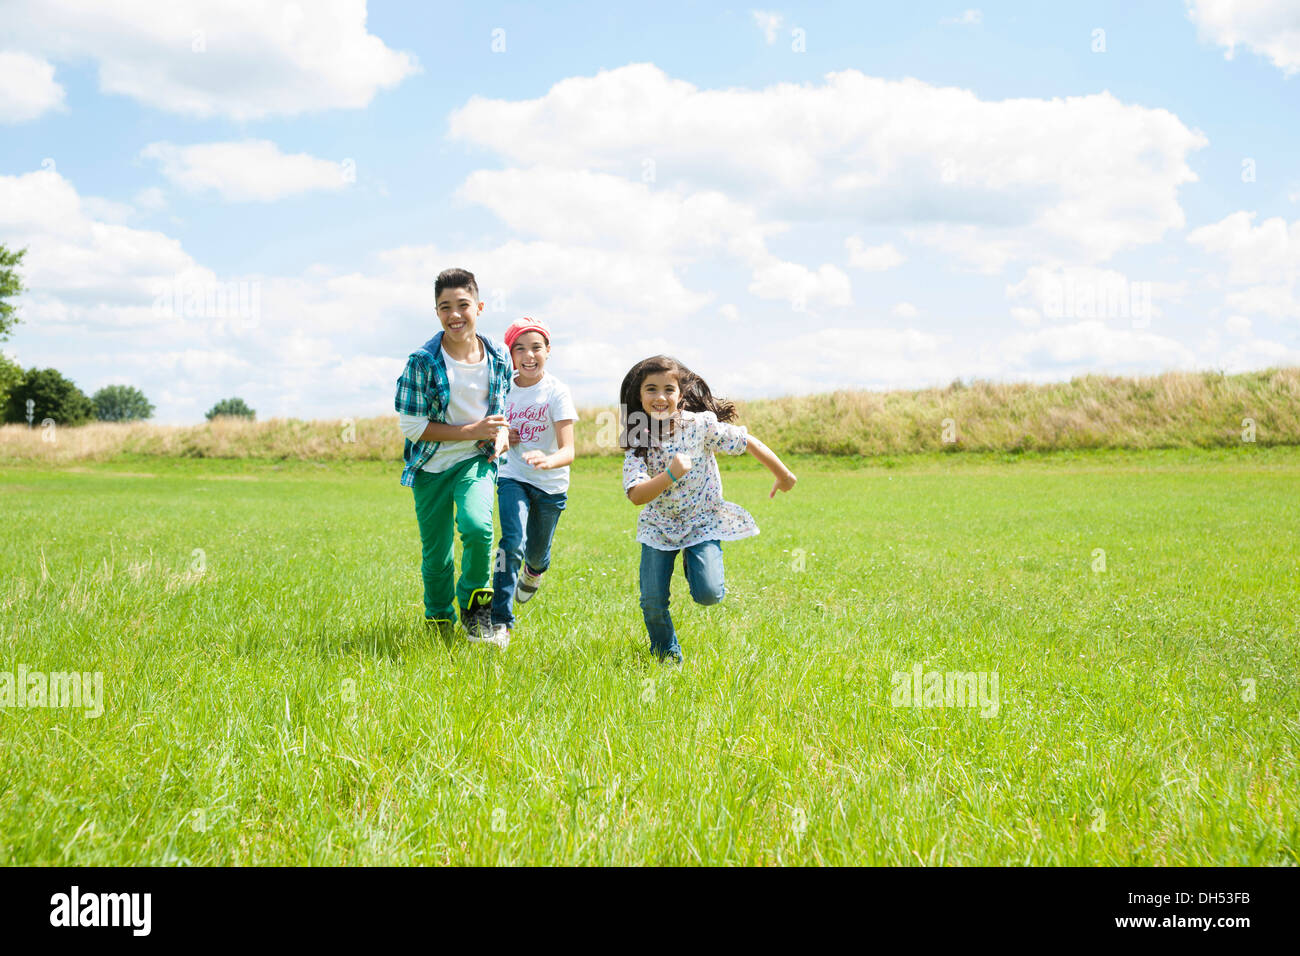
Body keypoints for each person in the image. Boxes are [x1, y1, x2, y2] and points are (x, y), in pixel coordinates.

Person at [620, 355, 797, 665]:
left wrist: (783, 475)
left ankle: (694, 562)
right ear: (639, 395)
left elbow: (747, 441)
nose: (660, 397)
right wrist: (670, 475)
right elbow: (636, 495)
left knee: (709, 594)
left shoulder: (701, 426)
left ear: (681, 395)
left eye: (668, 389)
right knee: (652, 601)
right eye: (651, 389)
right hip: (659, 526)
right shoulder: (639, 440)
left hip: (702, 521)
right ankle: (666, 657)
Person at [394, 267, 512, 646]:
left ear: (479, 306)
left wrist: (502, 433)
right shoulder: (423, 361)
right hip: (430, 467)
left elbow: (502, 410)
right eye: (445, 307)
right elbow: (412, 427)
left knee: (479, 528)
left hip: (474, 460)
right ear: (437, 312)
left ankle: (476, 612)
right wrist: (471, 430)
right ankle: (439, 622)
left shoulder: (497, 356)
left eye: (463, 305)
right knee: (437, 554)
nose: (455, 315)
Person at [490, 317, 579, 646]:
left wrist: (548, 459)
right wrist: (503, 436)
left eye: (536, 347)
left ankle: (535, 571)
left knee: (537, 554)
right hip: (512, 476)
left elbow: (569, 449)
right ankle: (500, 621)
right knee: (510, 543)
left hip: (551, 485)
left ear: (548, 351)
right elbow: (491, 427)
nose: (529, 355)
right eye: (520, 349)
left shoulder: (557, 392)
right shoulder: (502, 388)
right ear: (510, 355)